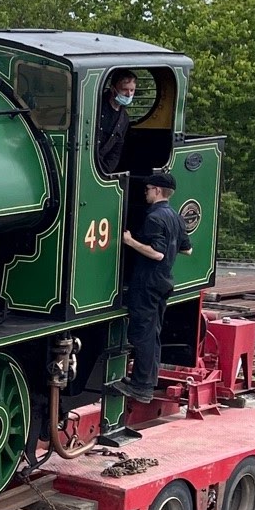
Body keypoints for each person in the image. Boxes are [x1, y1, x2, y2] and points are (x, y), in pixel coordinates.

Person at [110, 170, 193, 405]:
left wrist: (130, 241)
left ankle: (141, 386)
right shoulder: (176, 217)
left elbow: (157, 253)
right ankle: (146, 381)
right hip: (164, 281)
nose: (145, 192)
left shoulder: (154, 218)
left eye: (147, 189)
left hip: (147, 283)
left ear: (157, 190)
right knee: (153, 335)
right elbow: (187, 249)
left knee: (142, 334)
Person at [96, 69, 140, 176]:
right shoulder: (96, 106)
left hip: (102, 169)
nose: (128, 94)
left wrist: (105, 171)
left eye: (132, 90)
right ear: (113, 88)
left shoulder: (124, 118)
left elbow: (117, 149)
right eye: (125, 89)